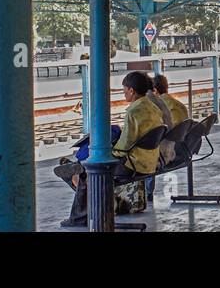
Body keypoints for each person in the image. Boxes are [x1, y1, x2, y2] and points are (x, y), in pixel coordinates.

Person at [58, 71, 166, 226]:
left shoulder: (133, 112)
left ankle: (78, 216)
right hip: (150, 162)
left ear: (131, 91)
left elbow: (124, 146)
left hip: (132, 165)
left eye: (124, 91)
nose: (123, 95)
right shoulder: (153, 108)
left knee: (94, 168)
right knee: (87, 171)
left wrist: (107, 154)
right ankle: (79, 175)